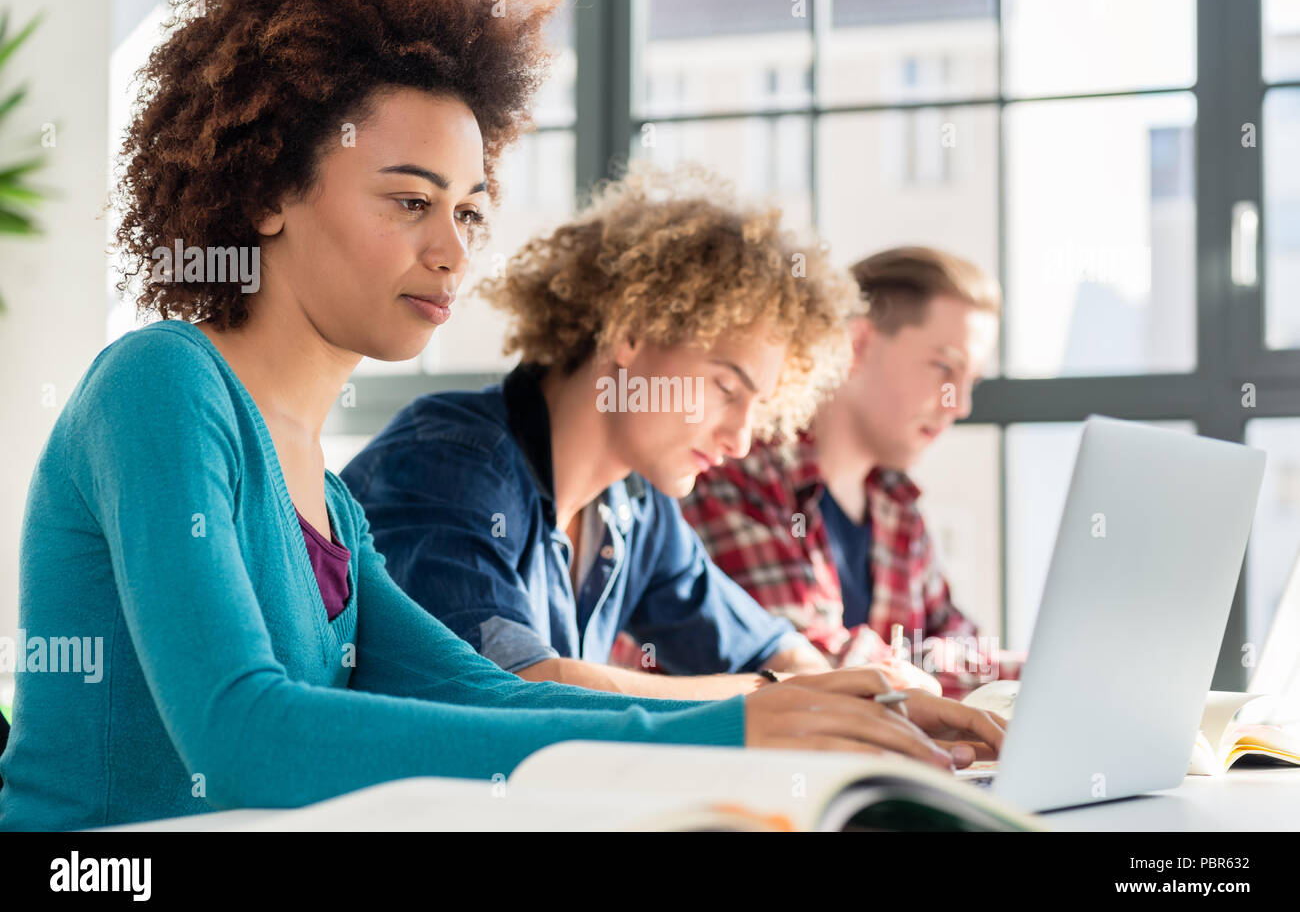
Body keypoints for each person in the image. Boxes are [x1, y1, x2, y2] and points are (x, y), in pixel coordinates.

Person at [0, 0, 1000, 832]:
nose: (452, 251)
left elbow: (478, 694)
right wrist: (738, 727)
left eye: (469, 210)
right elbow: (241, 732)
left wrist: (776, 718)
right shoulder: (163, 385)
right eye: (408, 202)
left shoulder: (329, 492)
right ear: (266, 188)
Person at [341, 164, 999, 750]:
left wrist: (883, 699)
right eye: (724, 388)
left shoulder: (636, 507)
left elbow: (773, 650)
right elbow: (520, 691)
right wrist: (770, 699)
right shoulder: (449, 462)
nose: (742, 439)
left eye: (759, 407)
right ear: (630, 332)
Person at [679, 247, 1023, 698]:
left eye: (970, 381)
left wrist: (1023, 672)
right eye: (944, 368)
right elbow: (812, 665)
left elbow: (953, 639)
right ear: (857, 346)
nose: (960, 404)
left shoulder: (895, 500)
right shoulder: (737, 470)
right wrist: (1010, 674)